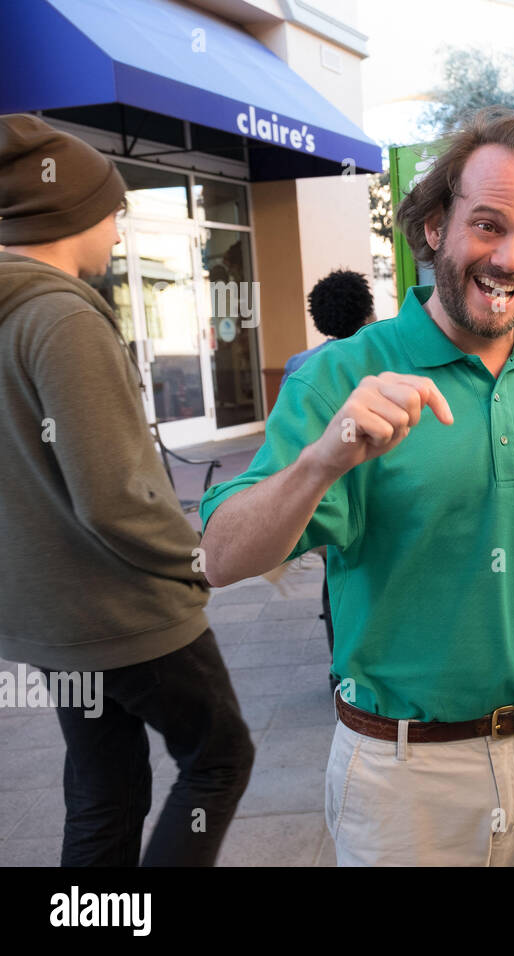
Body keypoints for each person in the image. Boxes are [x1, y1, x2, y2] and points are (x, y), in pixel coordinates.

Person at [198, 107, 514, 866]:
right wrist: (322, 460)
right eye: (488, 225)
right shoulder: (340, 374)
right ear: (434, 226)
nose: (509, 259)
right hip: (408, 777)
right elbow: (222, 557)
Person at [0, 114, 254, 865]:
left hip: (49, 621)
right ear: (67, 211)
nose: (116, 229)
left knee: (103, 786)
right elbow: (113, 496)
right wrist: (196, 557)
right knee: (219, 759)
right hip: (126, 611)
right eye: (111, 209)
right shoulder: (60, 317)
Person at [279, 267, 376, 690]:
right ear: (368, 311)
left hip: (321, 494)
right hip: (371, 487)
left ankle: (341, 669)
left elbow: (286, 431)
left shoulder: (299, 364)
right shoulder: (377, 358)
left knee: (336, 572)